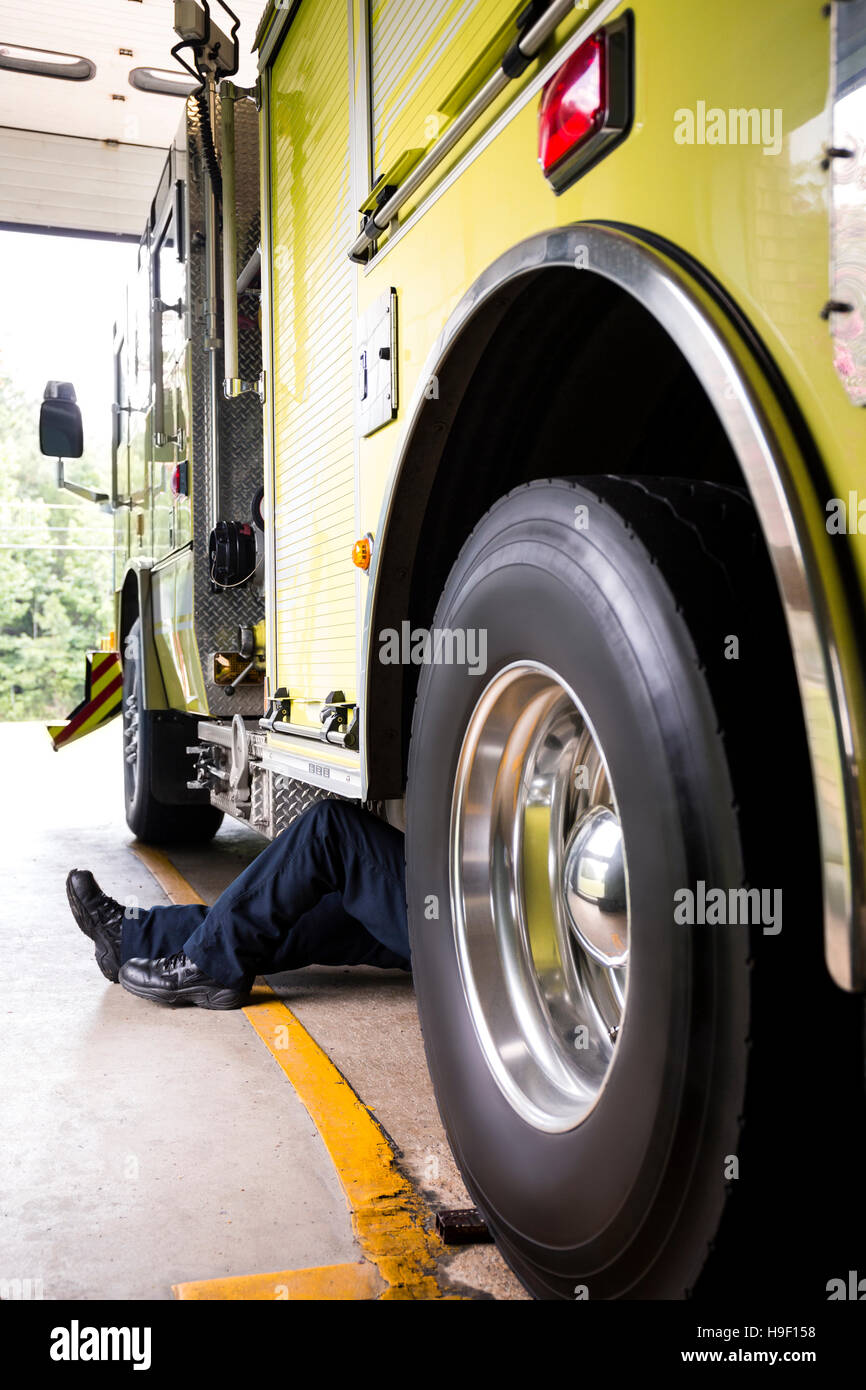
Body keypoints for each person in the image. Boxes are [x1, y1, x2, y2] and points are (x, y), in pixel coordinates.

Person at [66, 800, 410, 1010]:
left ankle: (210, 966)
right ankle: (128, 938)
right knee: (310, 912)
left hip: (451, 924)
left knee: (331, 829)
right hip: (446, 920)